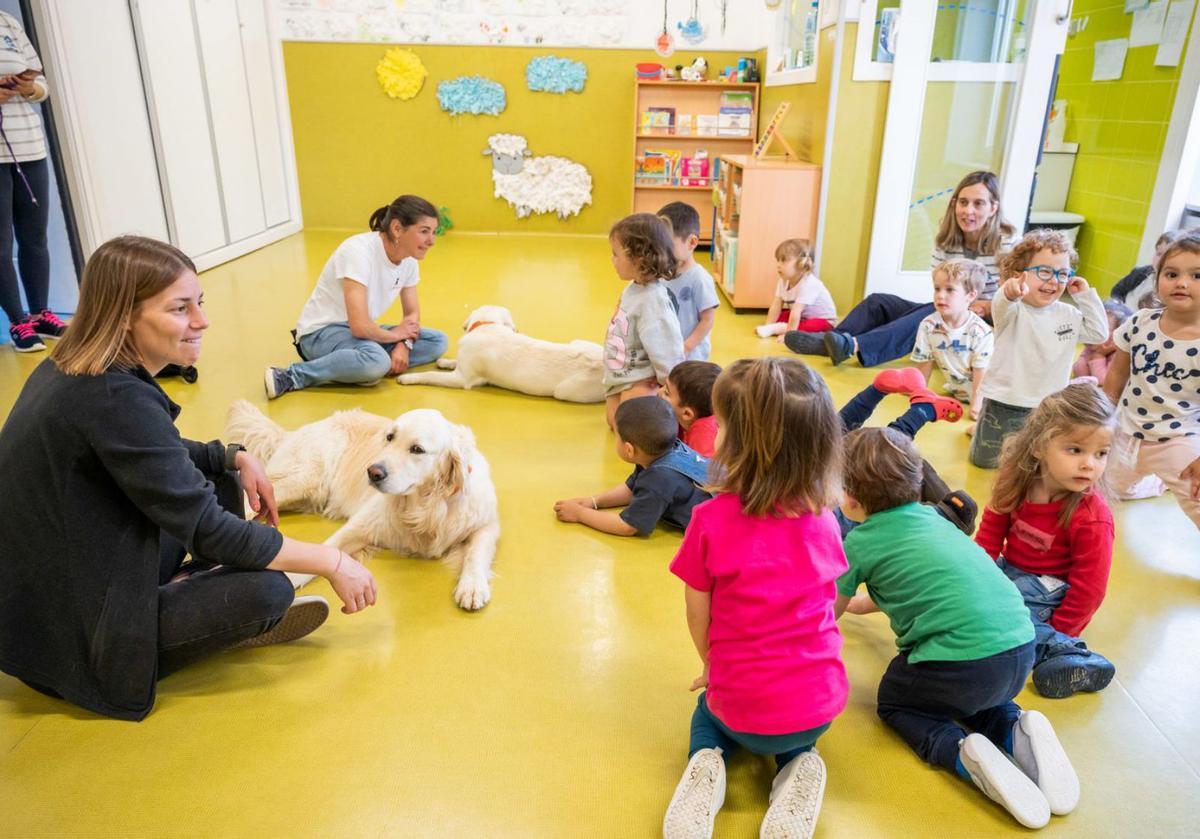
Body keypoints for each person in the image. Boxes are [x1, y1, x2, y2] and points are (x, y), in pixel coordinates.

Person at [0, 236, 378, 721]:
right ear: (124, 316)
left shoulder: (77, 365)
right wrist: (333, 561)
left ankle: (194, 582)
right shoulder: (115, 398)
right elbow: (209, 527)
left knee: (219, 477)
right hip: (71, 641)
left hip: (51, 593)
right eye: (180, 309)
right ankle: (207, 602)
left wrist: (231, 456)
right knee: (269, 592)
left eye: (199, 303)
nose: (202, 321)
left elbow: (153, 453)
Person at [836, 427, 1079, 830]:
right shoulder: (936, 520)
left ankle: (961, 752)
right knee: (981, 699)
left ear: (849, 498)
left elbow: (827, 611)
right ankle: (1015, 727)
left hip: (955, 668)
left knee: (897, 702)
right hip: (1019, 650)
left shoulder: (859, 543)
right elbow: (913, 580)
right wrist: (863, 605)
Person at [663, 358, 848, 839]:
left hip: (739, 706)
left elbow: (697, 611)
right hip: (819, 702)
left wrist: (712, 665)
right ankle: (798, 763)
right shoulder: (825, 520)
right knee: (794, 726)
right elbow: (825, 608)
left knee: (709, 713)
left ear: (736, 444)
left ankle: (707, 764)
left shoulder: (710, 520)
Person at [784, 171, 1014, 366]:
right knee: (877, 302)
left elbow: (1014, 304)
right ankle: (830, 340)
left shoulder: (1008, 245)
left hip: (984, 323)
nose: (968, 211)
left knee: (932, 312)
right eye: (963, 202)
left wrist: (983, 305)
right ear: (954, 204)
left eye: (978, 204)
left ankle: (852, 346)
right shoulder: (946, 241)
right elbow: (942, 288)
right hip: (953, 310)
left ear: (993, 208)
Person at [976, 384, 1118, 699]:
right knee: (973, 596)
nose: (1089, 464)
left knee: (1007, 616)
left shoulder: (1091, 517)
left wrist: (1062, 632)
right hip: (1010, 570)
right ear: (1039, 446)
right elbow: (989, 533)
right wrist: (975, 577)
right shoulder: (1017, 476)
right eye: (1075, 450)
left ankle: (1067, 654)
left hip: (1049, 591)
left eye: (1101, 454)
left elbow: (1089, 589)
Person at [264, 195, 448, 398]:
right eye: (424, 232)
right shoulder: (357, 252)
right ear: (397, 228)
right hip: (320, 334)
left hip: (358, 334)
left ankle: (357, 366)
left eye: (433, 232)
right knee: (376, 360)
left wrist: (404, 346)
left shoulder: (409, 260)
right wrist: (396, 336)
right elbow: (359, 326)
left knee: (437, 341)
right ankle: (292, 376)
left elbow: (412, 315)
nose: (431, 241)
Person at [970, 229, 1107, 469]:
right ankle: (980, 428)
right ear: (1018, 275)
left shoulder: (1069, 314)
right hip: (1005, 399)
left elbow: (1099, 333)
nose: (1054, 280)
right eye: (1044, 272)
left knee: (1032, 465)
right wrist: (1009, 291)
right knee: (985, 461)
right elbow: (1001, 304)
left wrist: (1085, 296)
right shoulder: (1013, 309)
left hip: (1048, 405)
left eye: (1062, 273)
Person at [1104, 232, 1200, 529]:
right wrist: (1102, 418)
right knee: (1107, 489)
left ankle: (1165, 478)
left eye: (1196, 276)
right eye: (1171, 274)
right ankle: (1156, 483)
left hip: (1177, 440)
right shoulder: (1140, 322)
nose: (1181, 283)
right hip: (1126, 431)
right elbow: (1118, 373)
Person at [553, 396, 710, 537]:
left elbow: (628, 526)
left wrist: (580, 514)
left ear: (629, 449)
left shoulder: (659, 478)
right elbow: (632, 488)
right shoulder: (666, 450)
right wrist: (594, 502)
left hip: (724, 529)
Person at [0, 12, 65, 353]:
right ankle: (18, 320)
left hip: (29, 147)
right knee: (1, 244)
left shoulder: (8, 22)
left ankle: (41, 314)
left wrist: (28, 88)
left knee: (35, 238)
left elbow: (42, 86)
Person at [602, 213, 685, 429]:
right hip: (619, 377)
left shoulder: (653, 301)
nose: (612, 260)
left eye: (616, 254)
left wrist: (669, 387)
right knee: (614, 422)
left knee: (634, 430)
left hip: (640, 379)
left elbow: (668, 347)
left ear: (638, 259)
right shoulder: (634, 288)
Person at [910, 259, 994, 422]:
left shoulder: (980, 332)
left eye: (950, 290)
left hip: (988, 395)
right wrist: (919, 394)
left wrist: (977, 406)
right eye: (937, 289)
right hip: (958, 391)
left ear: (970, 296)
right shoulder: (929, 325)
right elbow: (924, 363)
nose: (941, 295)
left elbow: (981, 373)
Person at [658, 202, 719, 361]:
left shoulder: (699, 278)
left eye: (668, 245)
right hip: (667, 352)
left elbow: (707, 320)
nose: (662, 251)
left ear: (692, 242)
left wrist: (687, 347)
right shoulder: (661, 273)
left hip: (691, 357)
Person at [755, 238, 837, 340]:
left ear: (801, 264)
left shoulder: (809, 283)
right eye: (778, 260)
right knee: (781, 316)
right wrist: (767, 325)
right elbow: (776, 306)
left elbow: (796, 311)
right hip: (803, 316)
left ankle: (779, 329)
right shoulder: (784, 280)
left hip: (823, 321)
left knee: (802, 324)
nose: (778, 265)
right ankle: (775, 328)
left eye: (783, 261)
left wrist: (788, 337)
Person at [660, 359, 721, 458]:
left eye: (666, 393)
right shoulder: (683, 421)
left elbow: (700, 471)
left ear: (687, 414)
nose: (659, 392)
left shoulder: (702, 436)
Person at [1109, 230, 1178, 311]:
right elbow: (1116, 291)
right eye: (1158, 253)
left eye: (1167, 256)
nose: (1160, 260)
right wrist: (1117, 309)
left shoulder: (1172, 286)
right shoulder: (1140, 273)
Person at [1071, 299, 1132, 383]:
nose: (1092, 334)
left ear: (1119, 333)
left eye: (1101, 330)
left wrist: (1098, 356)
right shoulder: (1093, 346)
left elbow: (1103, 382)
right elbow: (1080, 373)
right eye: (1087, 328)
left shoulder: (1119, 355)